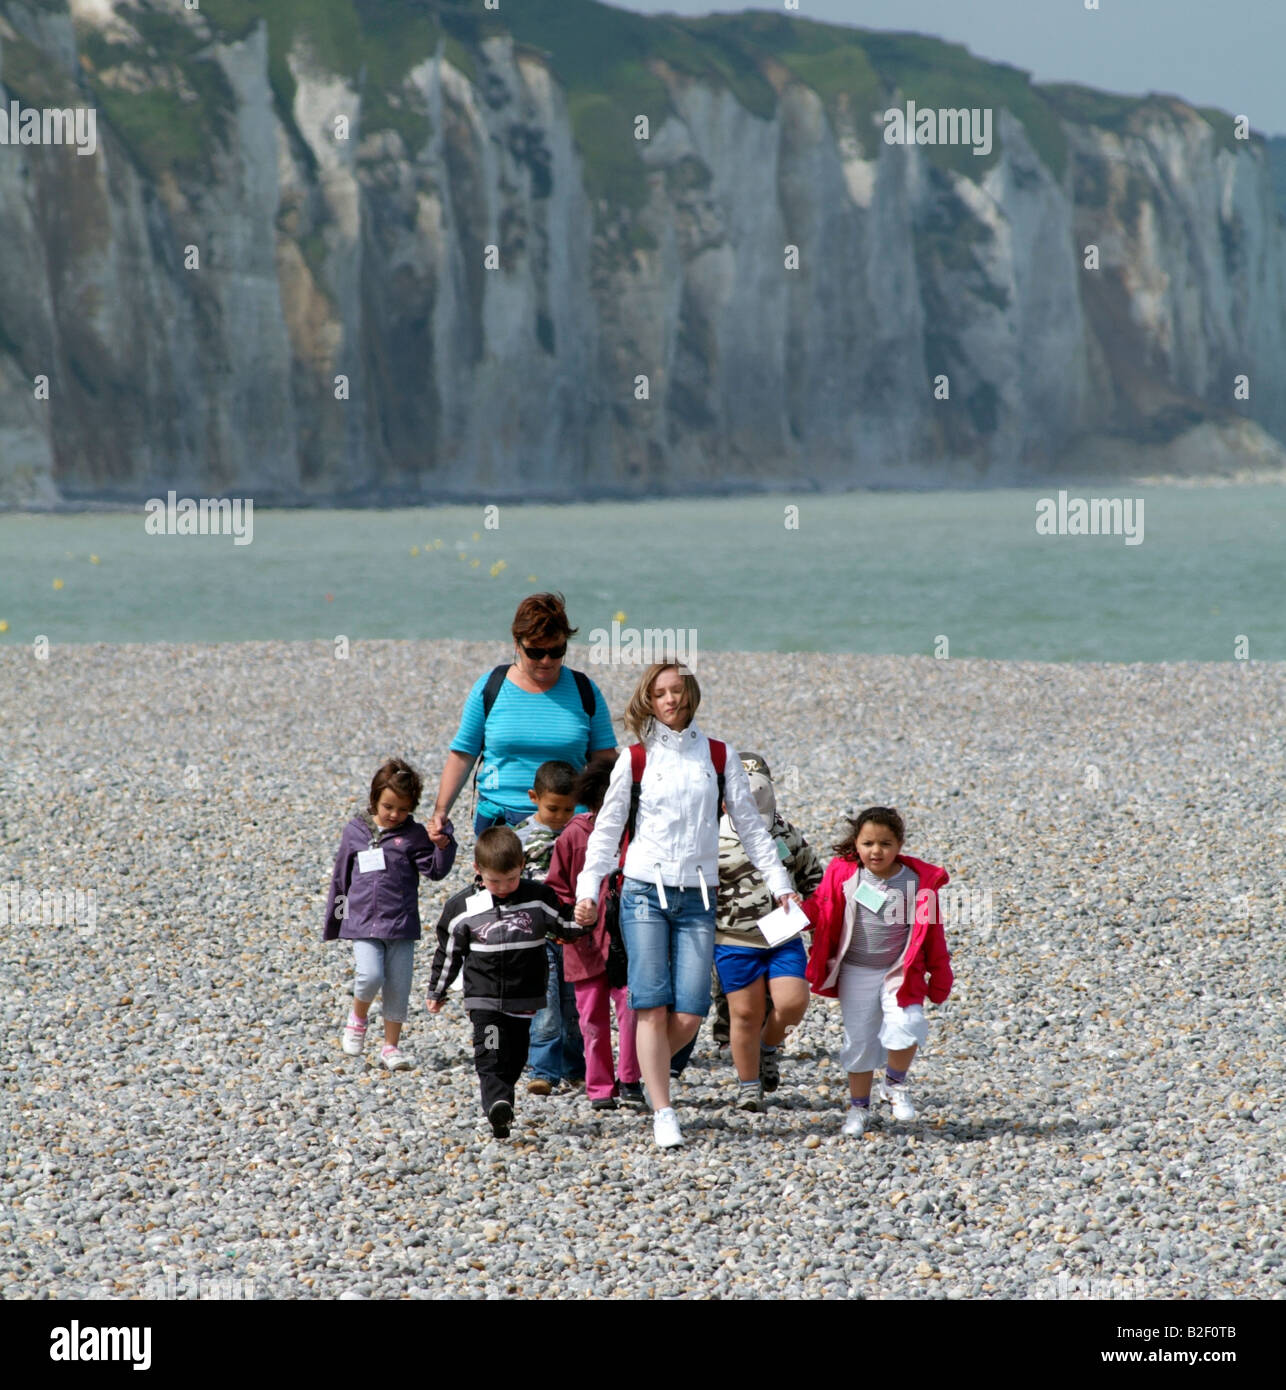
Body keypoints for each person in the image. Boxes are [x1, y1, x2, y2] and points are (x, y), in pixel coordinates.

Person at [573, 662, 799, 1149]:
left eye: (678, 690)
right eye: (661, 693)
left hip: (699, 897)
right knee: (650, 1001)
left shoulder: (719, 755)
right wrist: (588, 890)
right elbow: (607, 832)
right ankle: (663, 1110)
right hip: (642, 892)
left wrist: (781, 884)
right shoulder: (634, 759)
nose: (671, 699)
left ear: (691, 695)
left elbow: (751, 829)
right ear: (649, 701)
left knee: (692, 1011)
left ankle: (636, 1072)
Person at [425, 827, 586, 1138]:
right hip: (485, 1000)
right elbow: (448, 952)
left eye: (510, 879)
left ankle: (502, 1102)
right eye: (494, 881)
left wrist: (586, 917)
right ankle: (498, 1103)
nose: (503, 887)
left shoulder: (537, 898)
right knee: (492, 1052)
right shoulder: (462, 908)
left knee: (515, 1057)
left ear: (522, 867)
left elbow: (565, 925)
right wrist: (438, 989)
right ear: (478, 870)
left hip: (525, 999)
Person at [802, 806, 953, 1136]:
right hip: (855, 971)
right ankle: (858, 1109)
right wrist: (791, 916)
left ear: (899, 844)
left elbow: (933, 934)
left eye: (885, 843)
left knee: (909, 1024)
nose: (876, 851)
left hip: (899, 971)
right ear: (856, 843)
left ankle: (894, 1085)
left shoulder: (916, 882)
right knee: (859, 1041)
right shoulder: (844, 874)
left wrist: (941, 976)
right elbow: (820, 906)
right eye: (868, 843)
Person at [427, 593, 617, 839]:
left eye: (557, 650)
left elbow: (605, 763)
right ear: (517, 644)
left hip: (568, 824)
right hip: (501, 822)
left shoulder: (584, 690)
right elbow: (463, 754)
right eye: (536, 652)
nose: (547, 660)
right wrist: (441, 811)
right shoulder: (490, 687)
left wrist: (614, 817)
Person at [323, 759, 456, 1069]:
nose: (394, 814)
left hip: (401, 925)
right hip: (362, 923)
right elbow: (340, 876)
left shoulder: (413, 835)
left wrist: (443, 842)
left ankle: (390, 1047)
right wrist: (336, 919)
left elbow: (435, 871)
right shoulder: (356, 830)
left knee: (398, 986)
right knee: (370, 975)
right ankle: (357, 1018)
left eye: (403, 809)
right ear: (374, 799)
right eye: (388, 806)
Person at [711, 752, 825, 1111]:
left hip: (782, 936)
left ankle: (767, 1047)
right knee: (743, 1014)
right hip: (733, 938)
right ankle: (748, 1085)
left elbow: (813, 879)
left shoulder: (786, 833)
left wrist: (816, 913)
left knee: (793, 1002)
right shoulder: (709, 834)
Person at [545, 761, 644, 1112]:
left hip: (630, 943)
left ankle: (631, 1079)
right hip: (583, 946)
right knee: (591, 1020)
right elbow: (555, 889)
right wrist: (571, 916)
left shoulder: (641, 834)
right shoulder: (573, 836)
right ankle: (600, 1086)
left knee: (632, 1009)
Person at [514, 760, 585, 1093]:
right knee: (546, 1005)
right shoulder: (520, 837)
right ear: (534, 798)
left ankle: (576, 1068)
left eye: (568, 808)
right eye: (553, 808)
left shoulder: (583, 832)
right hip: (537, 935)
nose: (560, 816)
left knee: (575, 1007)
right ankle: (543, 1071)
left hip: (574, 934)